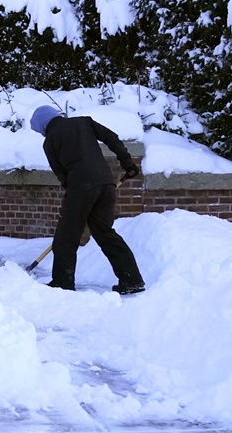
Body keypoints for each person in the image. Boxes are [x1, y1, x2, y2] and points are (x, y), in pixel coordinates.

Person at [29, 105, 146, 295]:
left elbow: (62, 174)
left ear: (43, 125)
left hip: (81, 187)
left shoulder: (50, 141)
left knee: (66, 237)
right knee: (105, 233)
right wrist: (127, 163)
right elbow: (111, 138)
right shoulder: (84, 122)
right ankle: (132, 279)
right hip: (106, 183)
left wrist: (74, 197)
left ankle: (62, 283)